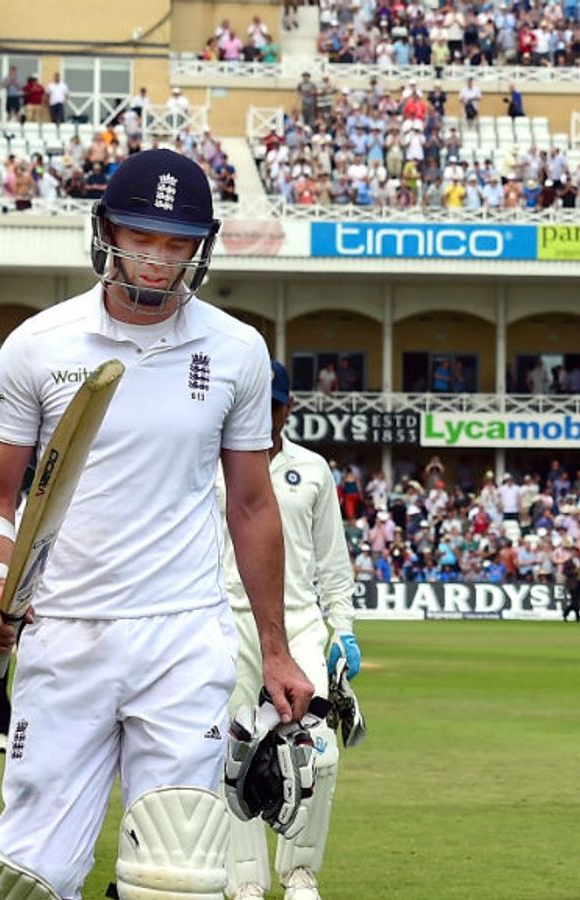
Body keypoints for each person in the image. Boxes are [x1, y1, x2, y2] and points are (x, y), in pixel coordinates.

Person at [0, 149, 315, 900]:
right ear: (107, 232)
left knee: (176, 876)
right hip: (65, 630)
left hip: (183, 635)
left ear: (201, 248)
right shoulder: (39, 344)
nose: (158, 259)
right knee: (30, 876)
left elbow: (251, 506)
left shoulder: (237, 350)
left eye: (177, 242)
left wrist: (276, 650)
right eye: (141, 236)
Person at [223, 363, 360, 900]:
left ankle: (301, 873)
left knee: (317, 752)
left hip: (299, 621)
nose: (265, 415)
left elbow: (333, 561)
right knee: (233, 754)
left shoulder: (313, 469)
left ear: (289, 407)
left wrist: (343, 629)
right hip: (229, 620)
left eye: (274, 406)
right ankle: (245, 880)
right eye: (257, 405)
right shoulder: (212, 465)